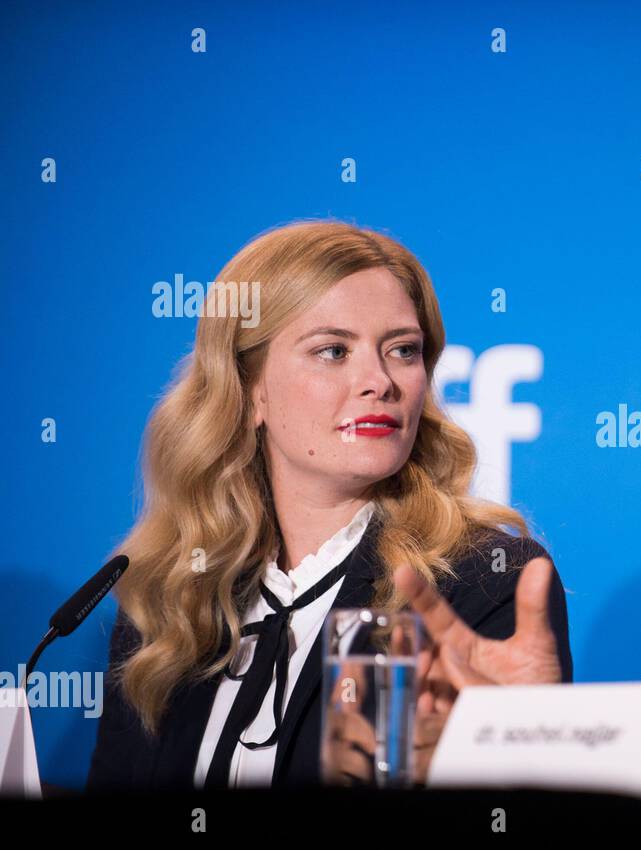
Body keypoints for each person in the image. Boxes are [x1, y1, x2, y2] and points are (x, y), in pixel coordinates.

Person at [87, 220, 570, 791]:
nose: (380, 381)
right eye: (333, 350)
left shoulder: (480, 580)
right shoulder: (174, 594)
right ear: (250, 390)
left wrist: (520, 745)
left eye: (403, 351)